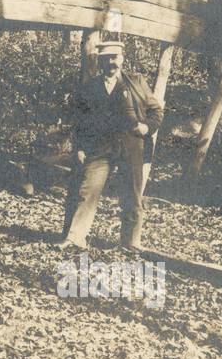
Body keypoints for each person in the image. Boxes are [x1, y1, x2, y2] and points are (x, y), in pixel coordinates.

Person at [58, 41, 163, 250]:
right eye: (106, 58)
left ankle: (131, 241)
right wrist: (79, 147)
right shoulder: (90, 87)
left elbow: (156, 111)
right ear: (100, 61)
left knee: (132, 194)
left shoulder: (136, 82)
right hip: (100, 147)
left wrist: (147, 127)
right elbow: (80, 120)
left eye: (115, 57)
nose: (111, 62)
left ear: (122, 58)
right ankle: (75, 237)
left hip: (131, 146)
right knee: (87, 190)